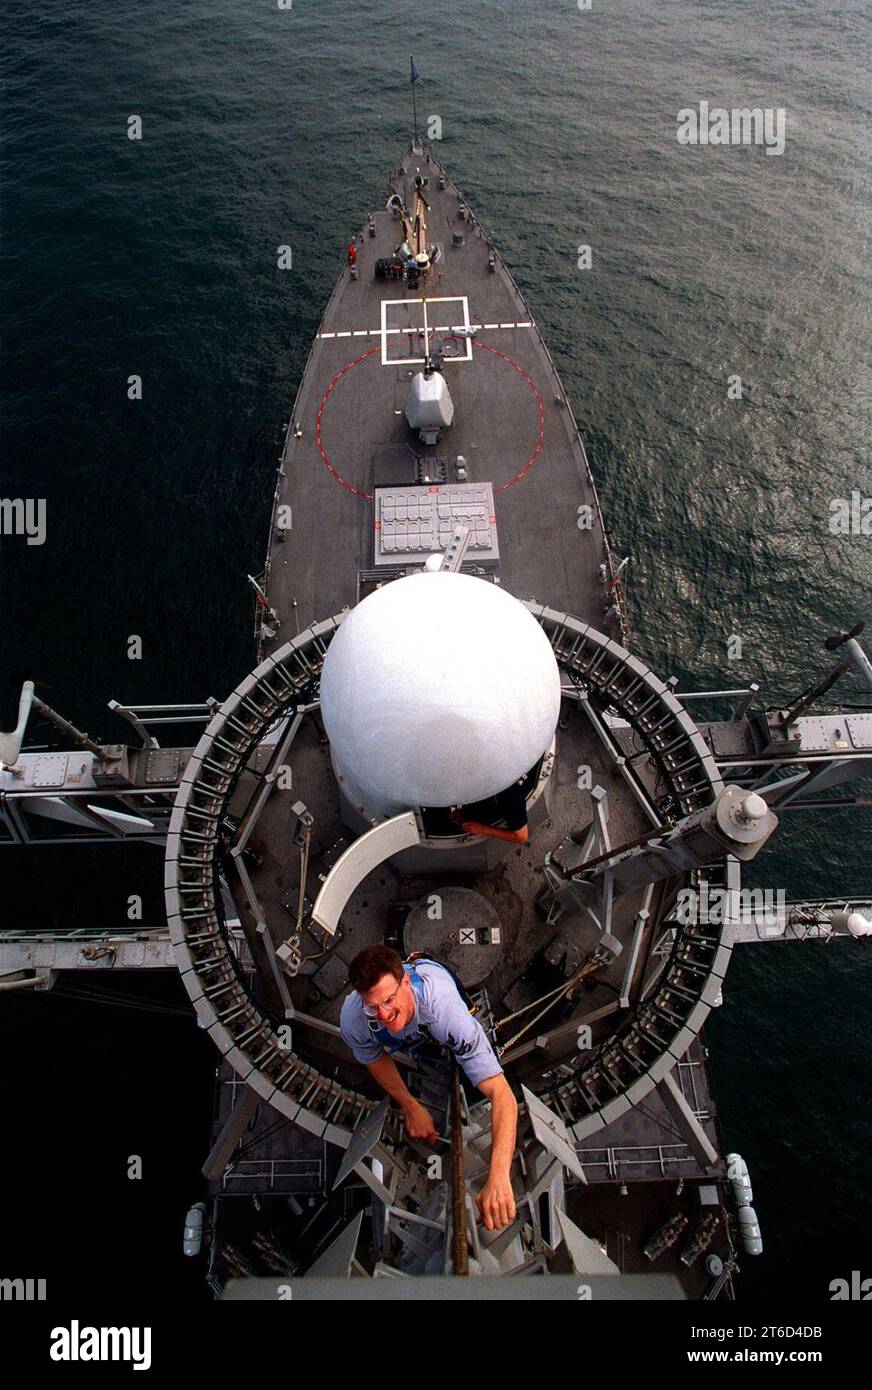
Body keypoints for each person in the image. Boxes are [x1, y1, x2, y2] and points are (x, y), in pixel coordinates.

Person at [340, 943, 518, 1231]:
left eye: (389, 1000)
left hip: (437, 996)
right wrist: (410, 1105)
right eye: (373, 1006)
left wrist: (498, 1176)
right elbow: (374, 1058)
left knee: (469, 1056)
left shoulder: (446, 1011)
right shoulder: (354, 1017)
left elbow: (502, 1095)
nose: (383, 1014)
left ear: (406, 983)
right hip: (417, 1038)